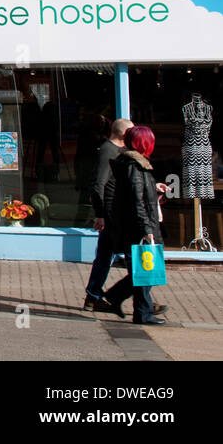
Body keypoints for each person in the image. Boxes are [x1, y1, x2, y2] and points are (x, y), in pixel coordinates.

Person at [101, 125, 168, 325]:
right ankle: (141, 312)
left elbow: (136, 193)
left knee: (143, 271)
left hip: (134, 225)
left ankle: (119, 299)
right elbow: (137, 201)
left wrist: (153, 187)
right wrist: (147, 230)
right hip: (137, 227)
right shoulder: (134, 165)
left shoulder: (133, 165)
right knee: (145, 271)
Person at [83, 118, 131, 312]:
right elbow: (98, 184)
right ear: (123, 134)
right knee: (132, 256)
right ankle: (144, 301)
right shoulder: (108, 151)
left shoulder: (120, 151)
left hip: (114, 212)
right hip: (112, 213)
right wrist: (100, 214)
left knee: (104, 255)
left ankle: (93, 296)